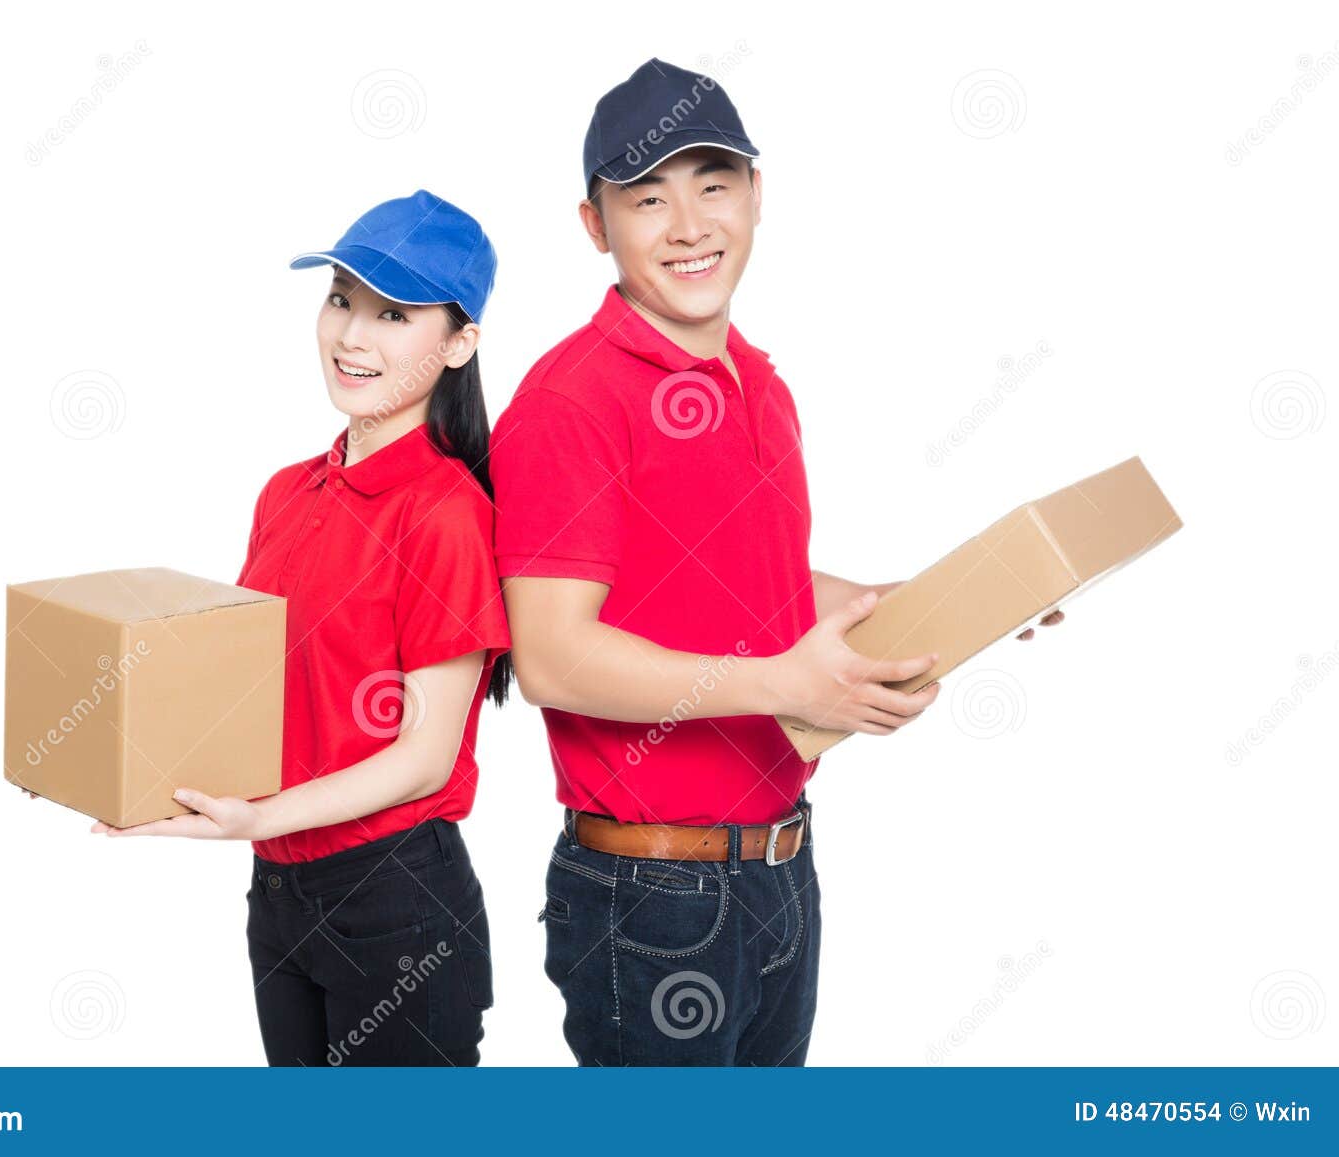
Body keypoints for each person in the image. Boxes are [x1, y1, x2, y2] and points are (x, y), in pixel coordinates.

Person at [490, 58, 1060, 1066]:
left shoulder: (757, 381)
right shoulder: (570, 401)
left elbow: (766, 587)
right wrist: (782, 684)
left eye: (713, 184)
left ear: (757, 195)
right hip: (651, 896)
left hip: (780, 867)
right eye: (647, 198)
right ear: (594, 226)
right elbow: (551, 655)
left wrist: (947, 600)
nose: (688, 224)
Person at [91, 190, 511, 1067]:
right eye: (341, 299)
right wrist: (107, 750)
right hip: (281, 894)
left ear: (459, 343)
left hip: (396, 901)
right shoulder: (287, 492)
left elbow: (424, 757)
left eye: (394, 314)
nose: (352, 335)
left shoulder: (444, 513)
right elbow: (249, 689)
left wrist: (258, 817)